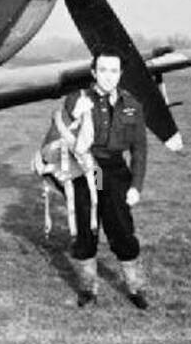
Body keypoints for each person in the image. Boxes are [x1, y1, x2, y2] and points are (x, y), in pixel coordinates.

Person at [62, 47, 149, 309]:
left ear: (121, 73)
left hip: (114, 172)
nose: (108, 76)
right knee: (87, 230)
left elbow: (139, 149)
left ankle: (134, 287)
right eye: (102, 70)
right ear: (93, 72)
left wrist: (136, 186)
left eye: (113, 71)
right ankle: (88, 288)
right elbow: (62, 128)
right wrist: (75, 113)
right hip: (87, 168)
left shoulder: (132, 105)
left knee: (121, 229)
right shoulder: (77, 99)